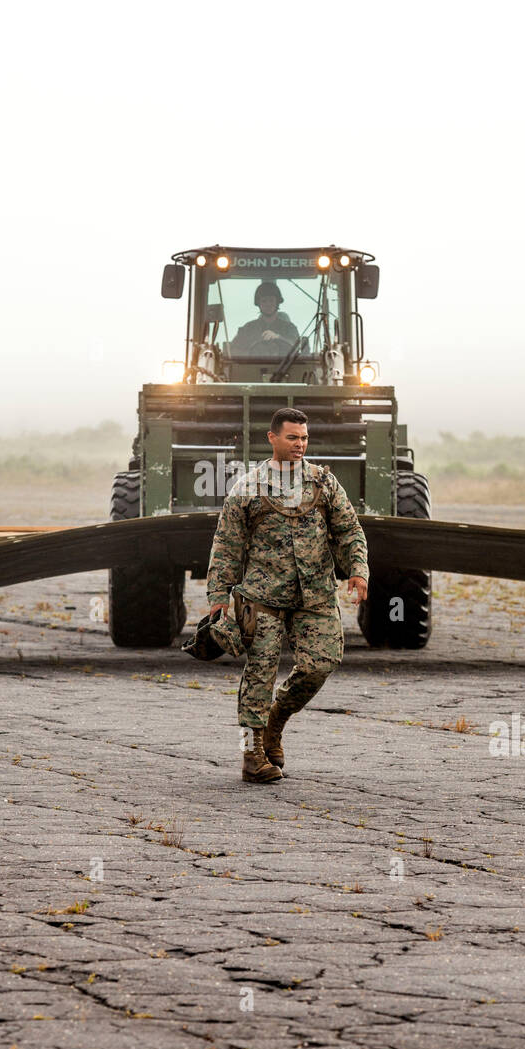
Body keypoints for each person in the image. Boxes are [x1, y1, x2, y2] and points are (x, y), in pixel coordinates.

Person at [206, 407, 369, 783]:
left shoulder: (323, 483)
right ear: (273, 438)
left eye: (304, 438)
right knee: (259, 675)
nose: (300, 444)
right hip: (262, 599)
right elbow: (227, 545)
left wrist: (358, 570)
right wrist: (218, 595)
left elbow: (349, 530)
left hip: (314, 596)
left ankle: (275, 721)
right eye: (293, 437)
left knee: (320, 665)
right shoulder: (248, 487)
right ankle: (252, 755)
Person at [230, 282, 299, 356]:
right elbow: (233, 351)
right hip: (252, 367)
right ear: (258, 303)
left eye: (271, 300)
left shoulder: (289, 328)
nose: (268, 304)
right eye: (264, 301)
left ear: (277, 302)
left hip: (286, 367)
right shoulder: (248, 329)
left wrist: (278, 337)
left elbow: (296, 347)